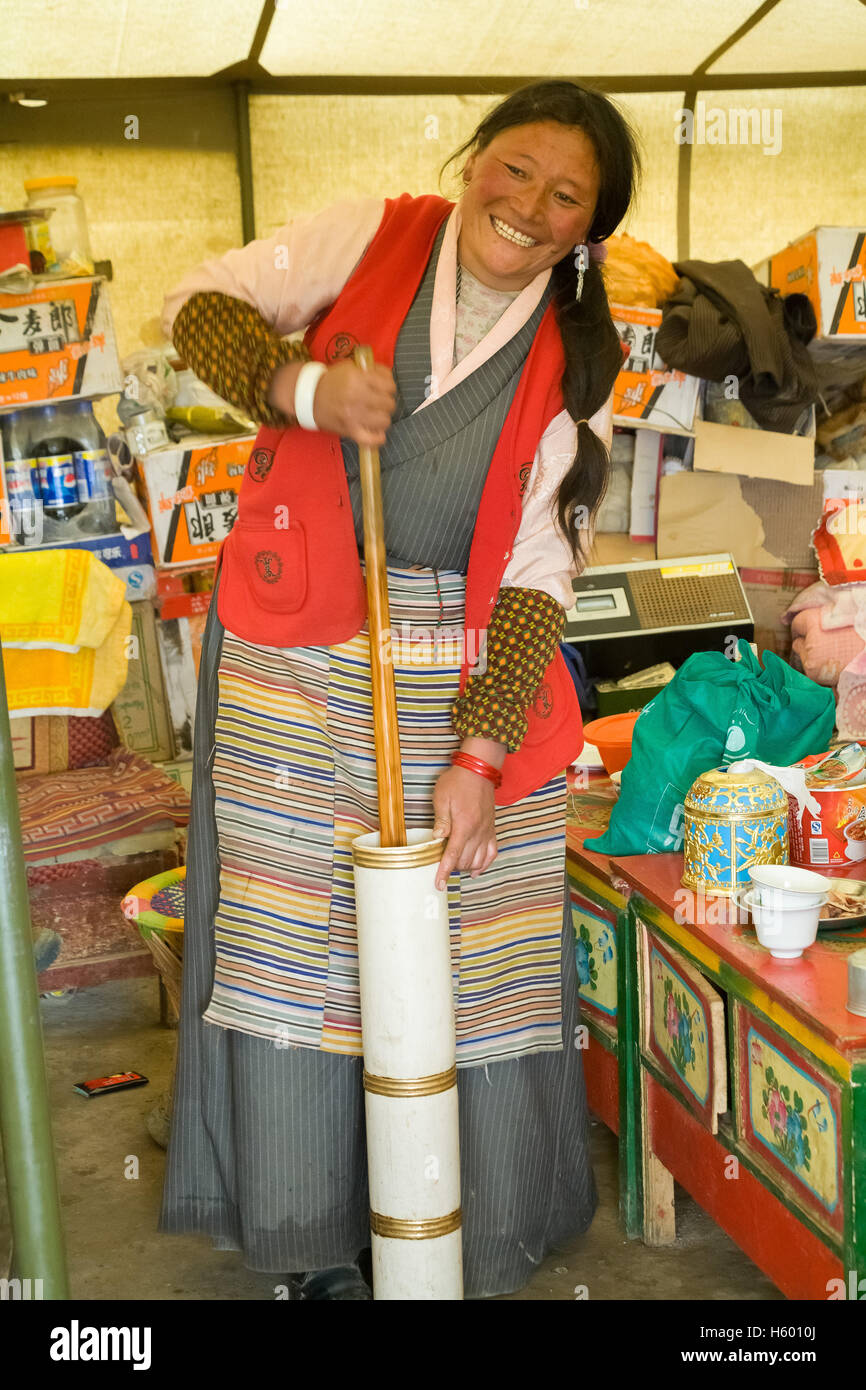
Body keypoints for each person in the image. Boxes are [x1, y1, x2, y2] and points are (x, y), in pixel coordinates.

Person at [158, 78, 639, 1299]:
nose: (526, 204)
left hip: (465, 661)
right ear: (473, 160)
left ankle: (464, 1229)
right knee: (299, 938)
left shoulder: (578, 354)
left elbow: (538, 572)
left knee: (473, 936)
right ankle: (313, 1239)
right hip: (294, 645)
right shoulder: (368, 235)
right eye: (513, 167)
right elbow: (196, 301)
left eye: (565, 195)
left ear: (587, 230)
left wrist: (478, 759)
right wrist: (303, 389)